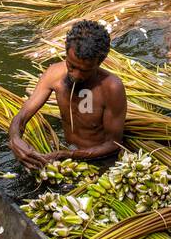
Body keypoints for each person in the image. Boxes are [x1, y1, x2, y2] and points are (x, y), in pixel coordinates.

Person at [7, 19, 126, 169]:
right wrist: (15, 138)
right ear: (66, 53)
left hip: (98, 161)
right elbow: (22, 116)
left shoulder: (111, 88)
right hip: (67, 151)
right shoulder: (54, 74)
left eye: (84, 70)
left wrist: (67, 155)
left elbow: (113, 144)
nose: (76, 75)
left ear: (99, 62)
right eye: (72, 66)